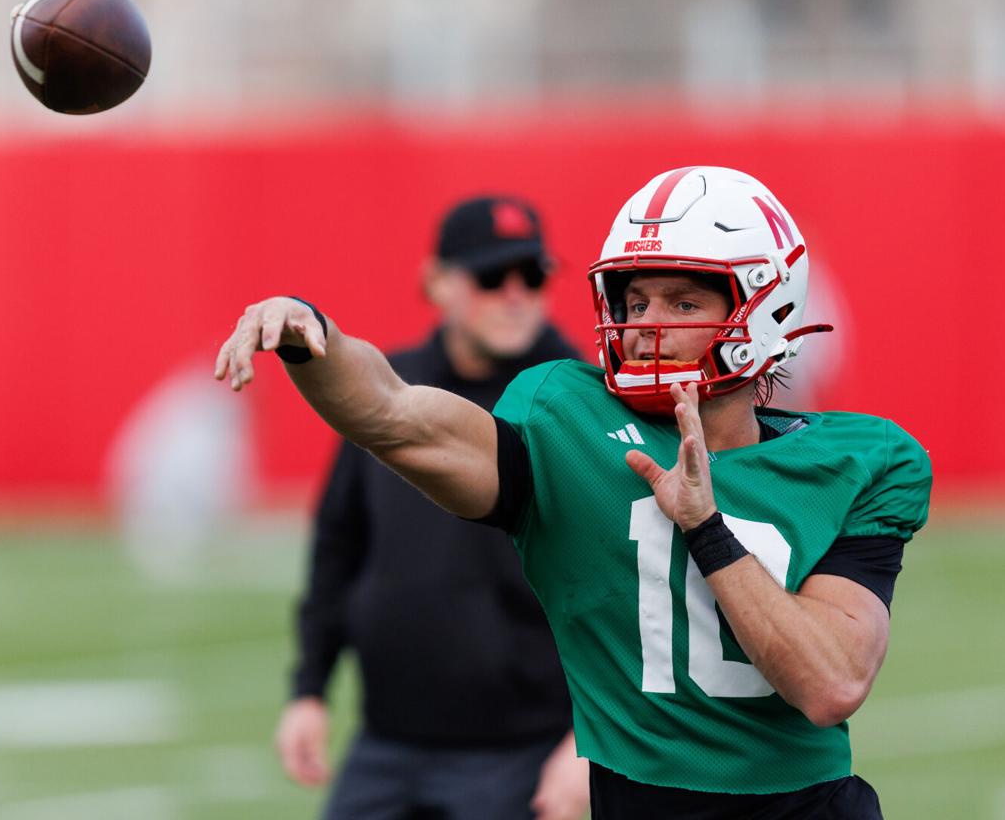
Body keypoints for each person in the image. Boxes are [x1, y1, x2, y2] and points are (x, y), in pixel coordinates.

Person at [218, 167, 932, 819]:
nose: (648, 324)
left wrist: (705, 525)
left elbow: (831, 684)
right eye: (636, 299)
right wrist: (310, 338)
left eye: (684, 302)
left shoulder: (860, 460)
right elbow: (395, 416)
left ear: (767, 307)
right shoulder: (567, 418)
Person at [274, 196, 591, 820]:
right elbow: (338, 548)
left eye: (530, 275)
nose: (514, 294)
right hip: (386, 744)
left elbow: (634, 595)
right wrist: (309, 690)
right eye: (491, 276)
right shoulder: (389, 392)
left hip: (521, 755)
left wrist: (587, 742)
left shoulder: (582, 403)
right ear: (438, 281)